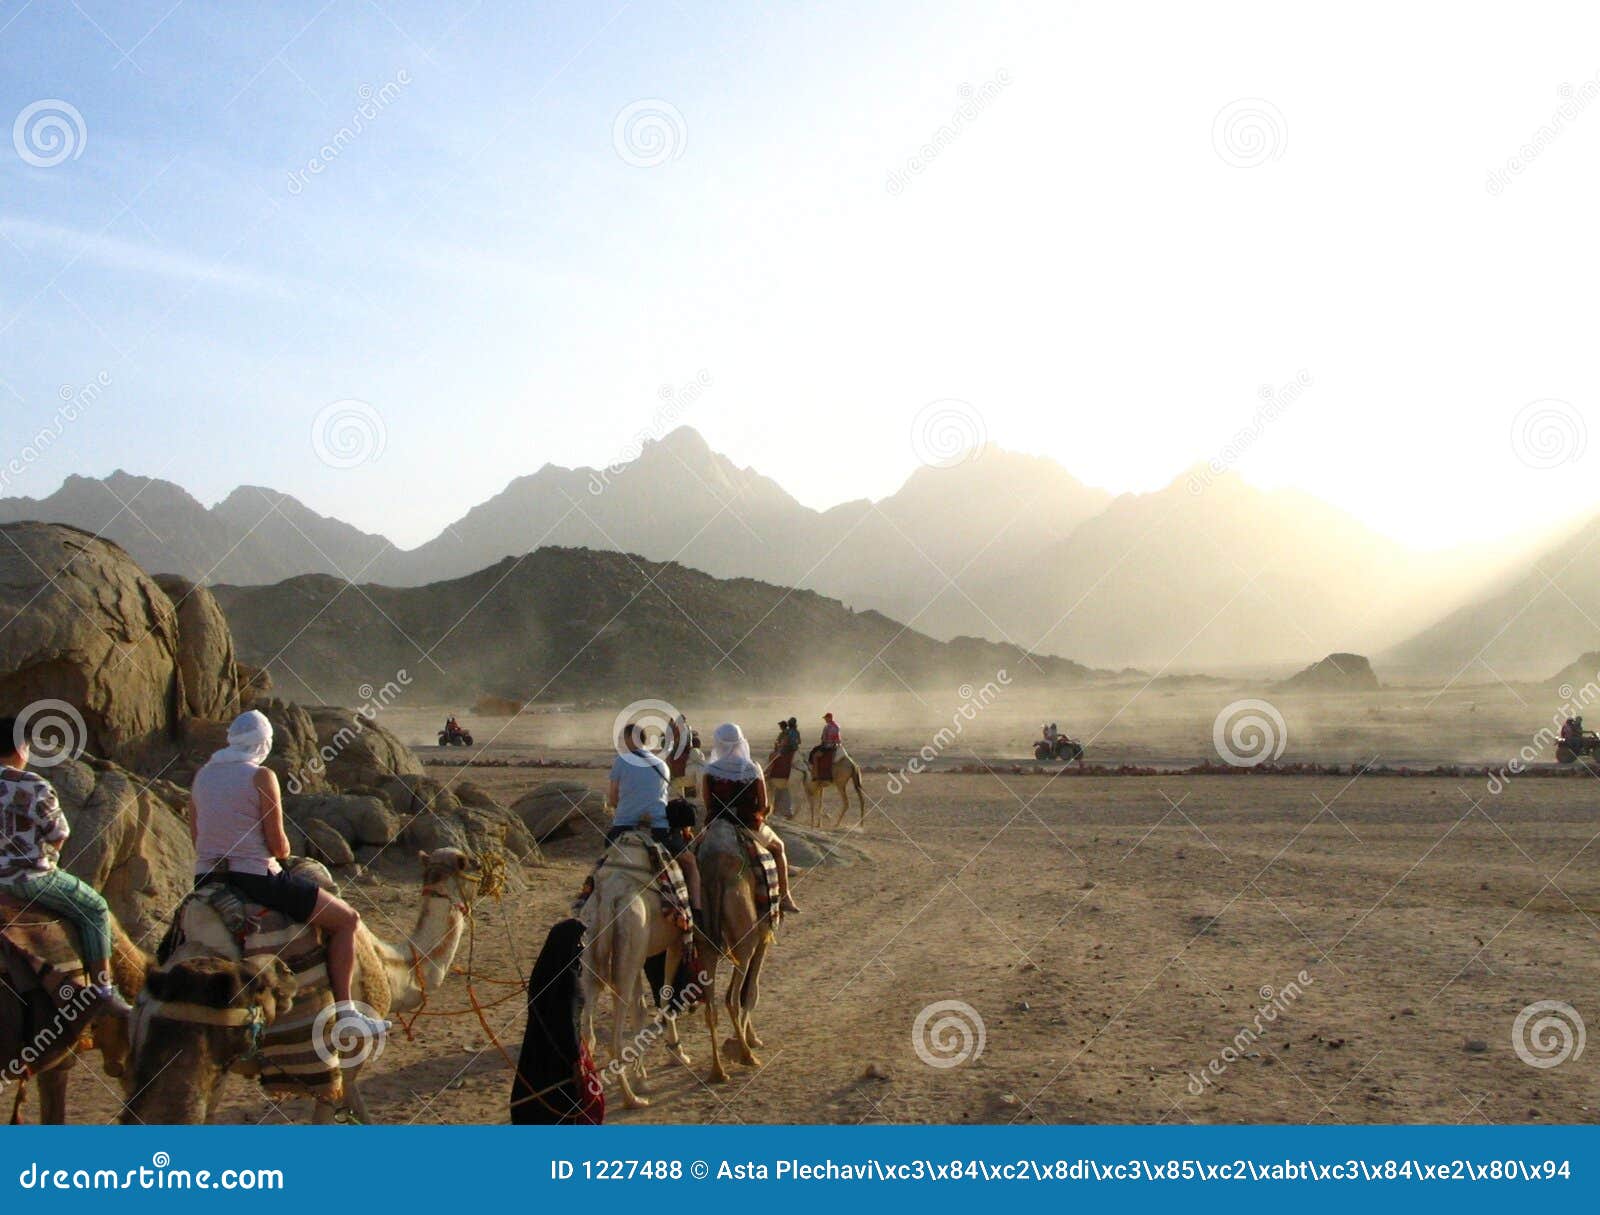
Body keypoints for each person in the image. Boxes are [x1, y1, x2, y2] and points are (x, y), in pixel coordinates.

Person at [190, 710, 388, 1040]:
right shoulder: (261, 776)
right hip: (255, 878)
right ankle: (347, 1013)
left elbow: (197, 837)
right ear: (263, 744)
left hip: (207, 878)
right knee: (347, 920)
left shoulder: (202, 775)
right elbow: (279, 846)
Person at [0, 716, 134, 1016]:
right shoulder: (32, 784)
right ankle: (103, 991)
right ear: (22, 748)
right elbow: (59, 834)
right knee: (96, 908)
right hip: (28, 877)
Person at [508, 917, 603, 1125]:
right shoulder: (568, 979)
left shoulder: (544, 970)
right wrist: (575, 1061)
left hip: (537, 1052)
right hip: (561, 1059)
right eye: (578, 942)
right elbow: (569, 1022)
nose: (582, 946)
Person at [700, 722, 800, 915]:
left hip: (717, 825)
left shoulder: (710, 770)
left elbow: (708, 804)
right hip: (748, 824)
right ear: (740, 742)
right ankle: (785, 895)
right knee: (778, 848)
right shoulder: (752, 768)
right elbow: (763, 803)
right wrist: (758, 814)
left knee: (694, 854)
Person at [607, 724, 701, 920]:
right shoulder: (661, 765)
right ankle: (696, 911)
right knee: (690, 863)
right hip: (658, 830)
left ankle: (590, 901)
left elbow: (613, 799)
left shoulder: (621, 761)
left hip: (624, 827)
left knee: (603, 864)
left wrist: (627, 809)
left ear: (629, 739)